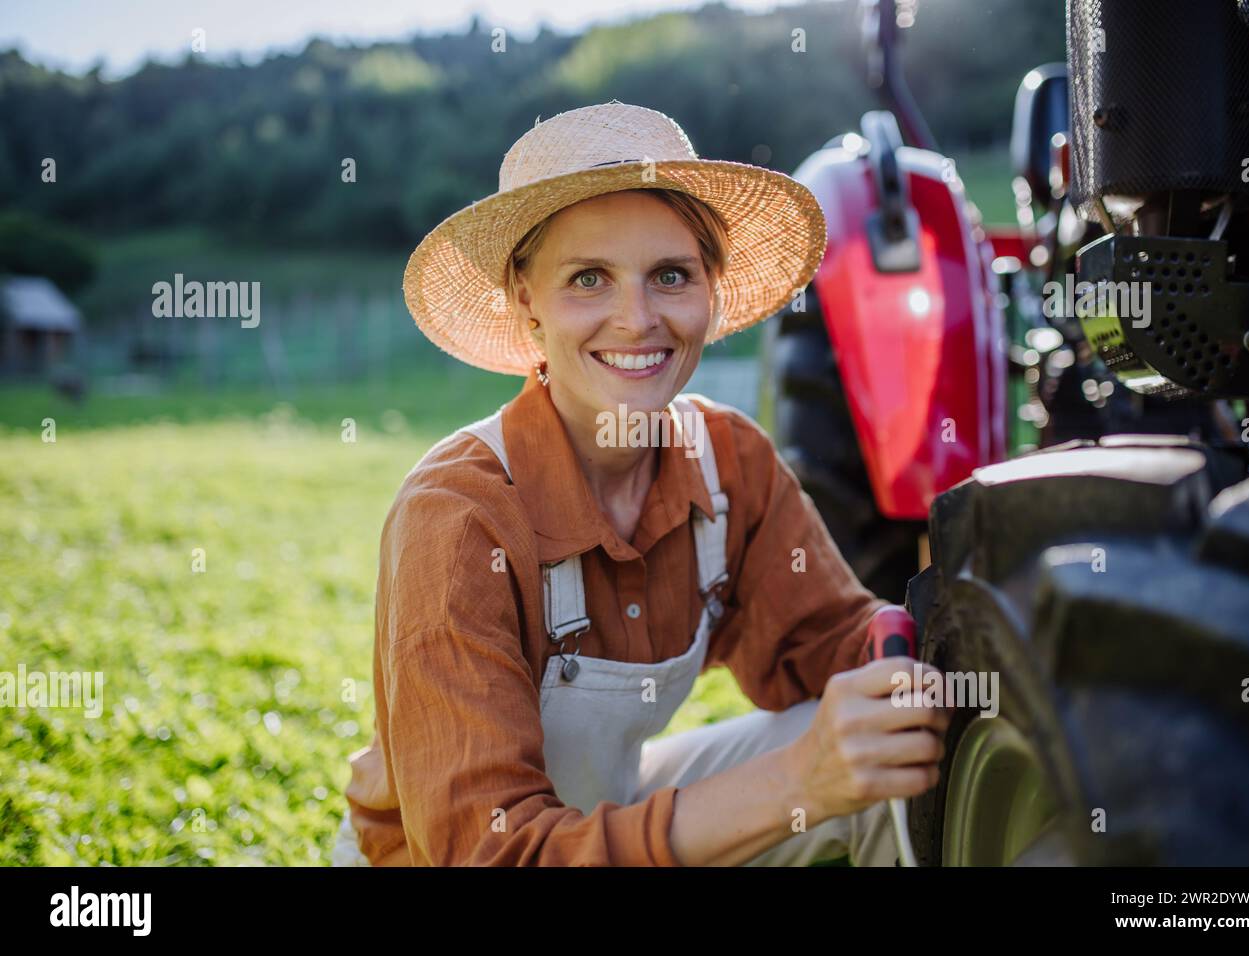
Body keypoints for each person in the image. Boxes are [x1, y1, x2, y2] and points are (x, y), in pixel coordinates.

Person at [333, 101, 952, 866]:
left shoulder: (727, 460)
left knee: (886, 738)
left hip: (609, 817)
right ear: (526, 302)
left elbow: (831, 643)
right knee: (822, 759)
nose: (637, 319)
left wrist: (929, 661)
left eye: (670, 275)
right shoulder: (458, 517)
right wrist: (798, 782)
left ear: (711, 291)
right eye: (588, 278)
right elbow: (488, 854)